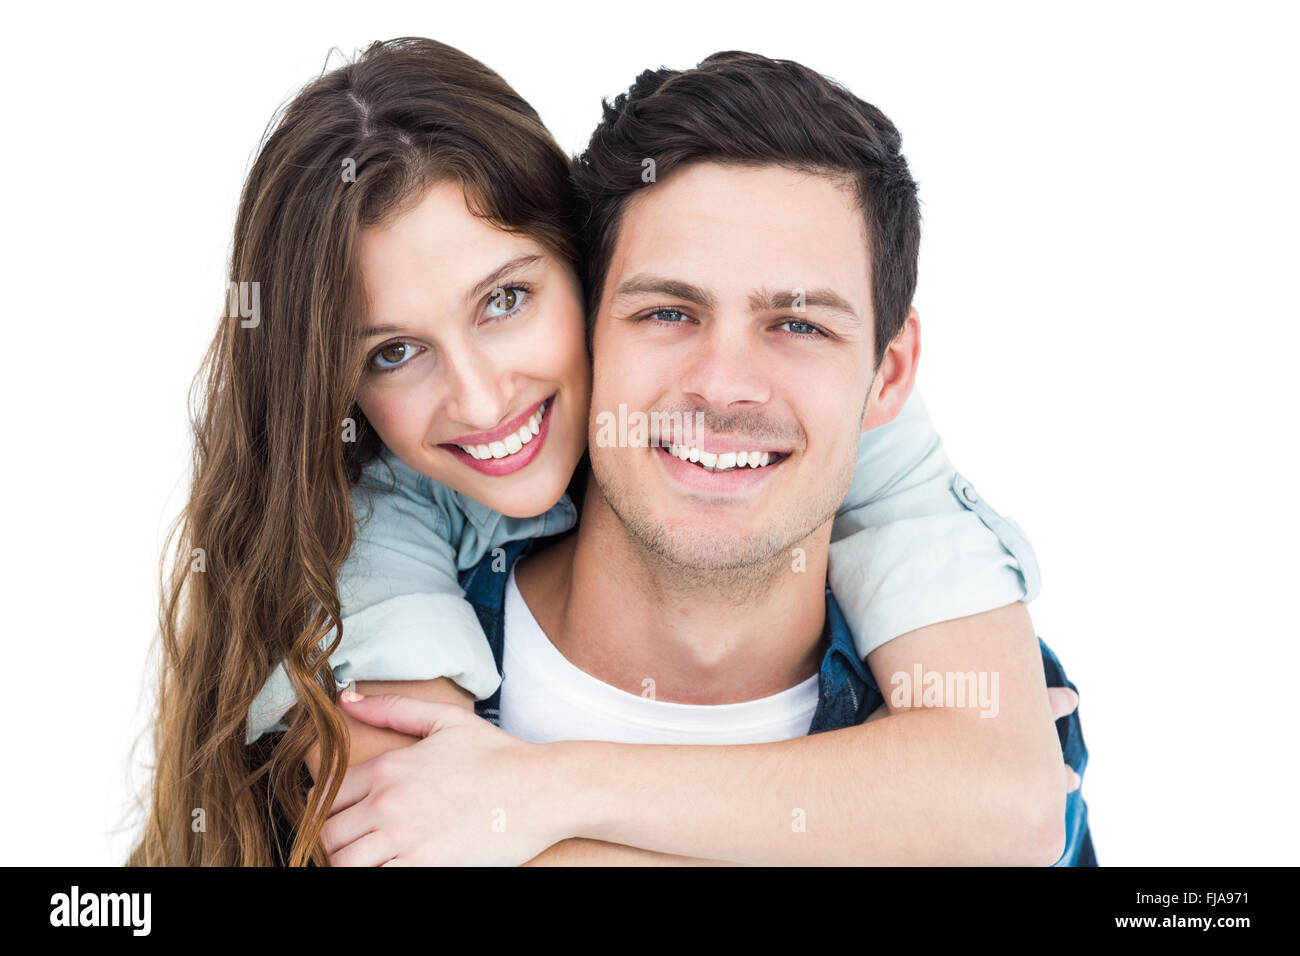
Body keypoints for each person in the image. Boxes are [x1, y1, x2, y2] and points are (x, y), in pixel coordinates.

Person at [128, 39, 1090, 867]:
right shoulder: (372, 535)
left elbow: (1005, 802)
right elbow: (409, 827)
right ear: (605, 303)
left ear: (889, 374)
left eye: (797, 324)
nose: (481, 395)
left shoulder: (948, 635)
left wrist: (544, 790)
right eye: (669, 309)